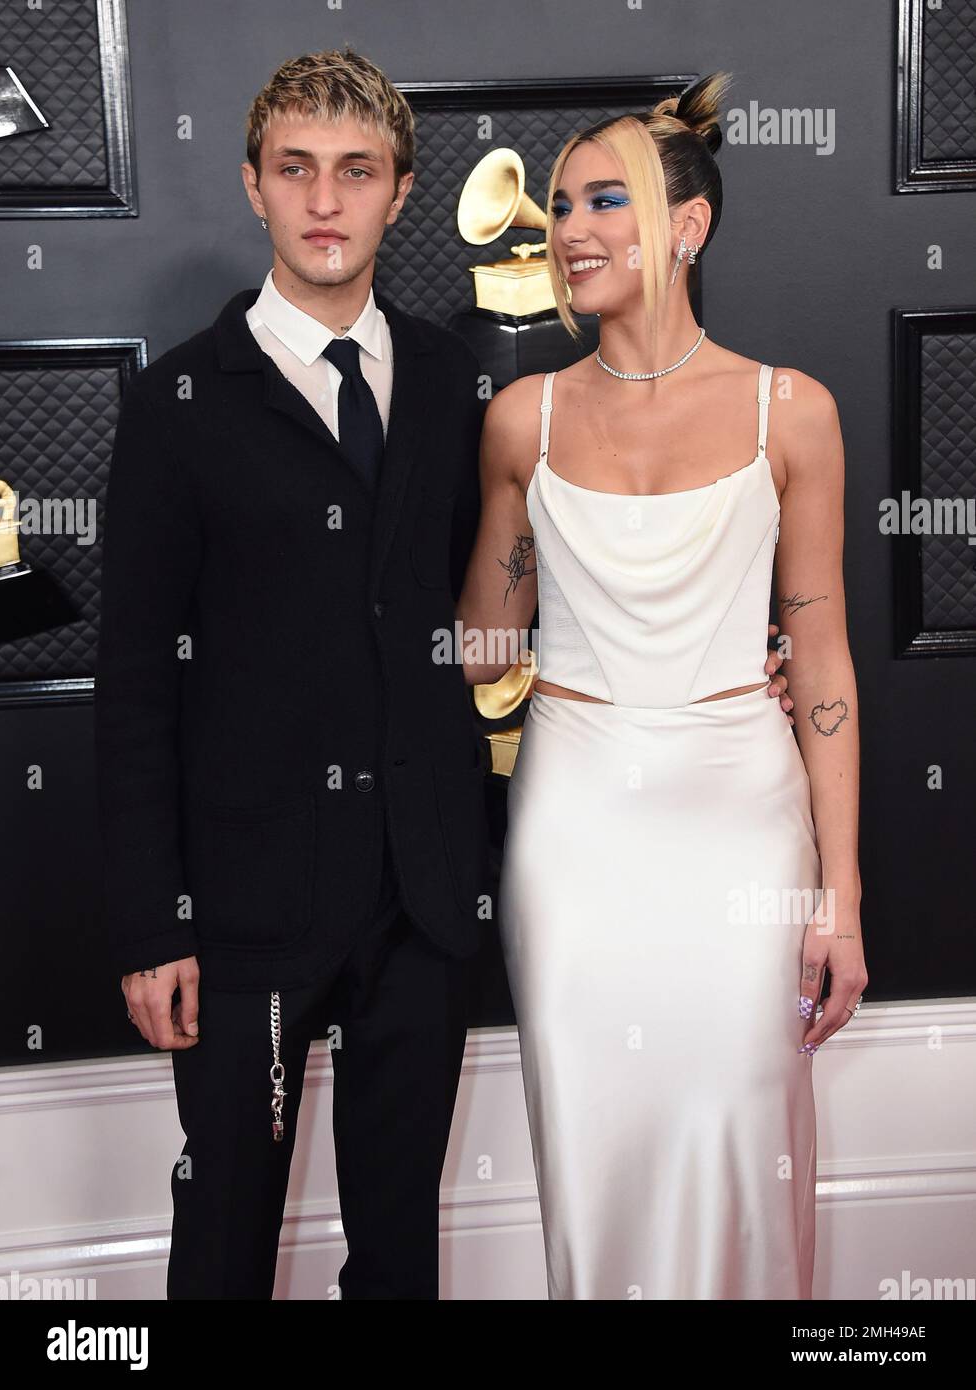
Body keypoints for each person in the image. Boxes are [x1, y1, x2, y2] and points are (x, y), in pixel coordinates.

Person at [457, 73, 867, 1299]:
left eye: (603, 202)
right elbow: (486, 648)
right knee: (594, 1139)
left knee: (742, 1134)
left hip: (739, 811)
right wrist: (498, 477)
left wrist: (838, 893)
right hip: (577, 817)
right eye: (557, 207)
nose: (568, 229)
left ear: (686, 226)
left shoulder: (788, 411)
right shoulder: (520, 417)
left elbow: (828, 654)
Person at [94, 47, 492, 1299]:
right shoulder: (178, 404)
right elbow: (135, 682)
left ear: (400, 191)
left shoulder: (447, 383)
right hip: (242, 907)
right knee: (222, 1249)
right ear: (255, 185)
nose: (326, 200)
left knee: (399, 1249)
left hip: (419, 900)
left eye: (356, 172)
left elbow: (490, 607)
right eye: (297, 170)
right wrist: (154, 922)